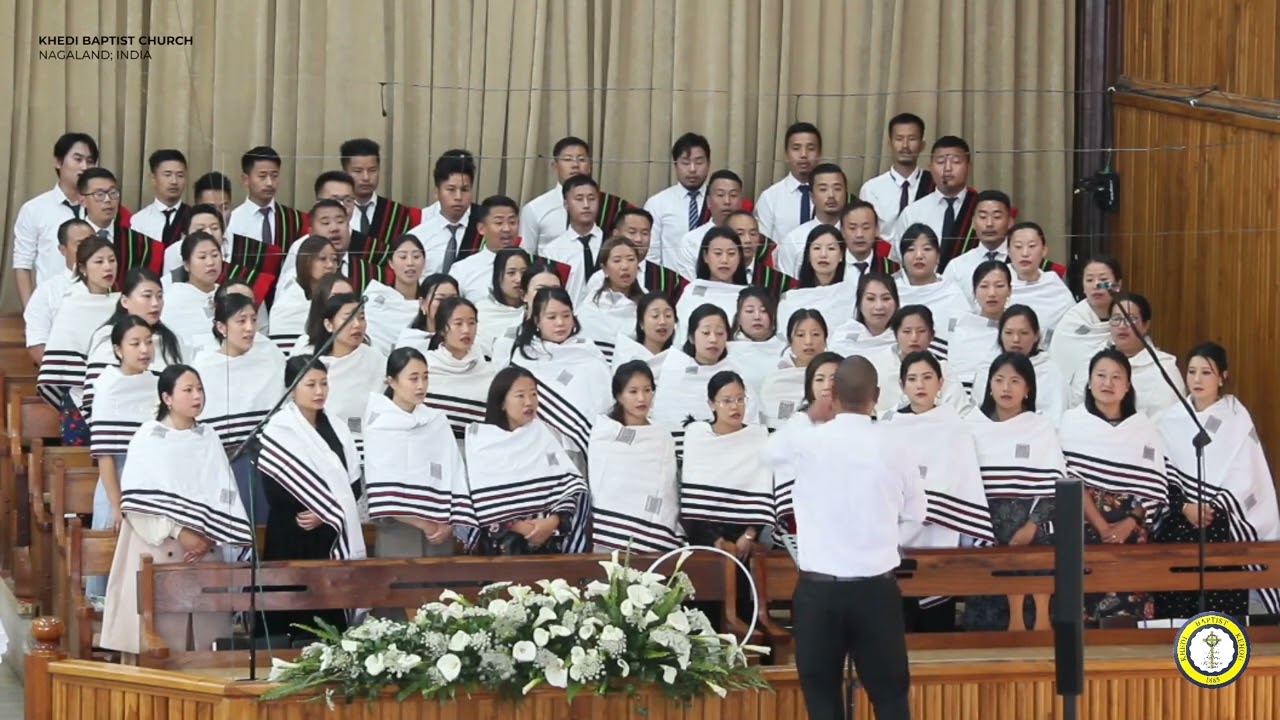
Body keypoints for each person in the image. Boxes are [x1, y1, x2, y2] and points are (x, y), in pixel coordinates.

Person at [761, 355, 925, 720]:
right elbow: (917, 515)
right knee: (891, 699)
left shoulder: (809, 441)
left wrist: (809, 414)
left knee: (822, 702)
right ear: (877, 395)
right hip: (876, 590)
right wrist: (886, 542)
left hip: (820, 593)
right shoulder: (896, 445)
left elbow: (769, 453)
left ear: (831, 394)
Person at [99, 364, 254, 660]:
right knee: (160, 639)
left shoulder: (208, 437)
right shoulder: (148, 437)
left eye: (199, 389)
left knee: (207, 642)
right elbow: (137, 501)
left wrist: (210, 534)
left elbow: (225, 493)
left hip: (204, 550)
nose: (197, 396)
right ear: (167, 398)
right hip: (158, 546)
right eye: (188, 390)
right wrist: (180, 532)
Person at [1155, 342, 1280, 618]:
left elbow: (1246, 471)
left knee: (1220, 591)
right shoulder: (1172, 419)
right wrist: (1185, 506)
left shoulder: (1236, 417)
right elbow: (1162, 472)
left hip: (1222, 518)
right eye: (1191, 372)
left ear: (1222, 376)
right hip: (1181, 517)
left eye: (1206, 372)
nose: (1197, 379)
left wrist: (1213, 506)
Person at [254, 355, 365, 639]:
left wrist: (325, 512)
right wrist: (312, 508)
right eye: (311, 384)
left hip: (330, 532)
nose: (319, 391)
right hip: (292, 531)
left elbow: (354, 484)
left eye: (324, 383)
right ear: (293, 389)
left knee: (329, 612)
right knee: (289, 606)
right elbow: (273, 487)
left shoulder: (337, 428)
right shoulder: (279, 429)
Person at [883, 351, 995, 632]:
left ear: (941, 382)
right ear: (902, 385)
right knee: (898, 621)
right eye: (912, 378)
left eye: (927, 377)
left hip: (940, 533)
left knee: (937, 623)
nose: (919, 385)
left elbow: (964, 480)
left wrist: (934, 507)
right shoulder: (888, 427)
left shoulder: (955, 428)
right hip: (897, 537)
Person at [1060, 348, 1171, 625]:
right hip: (1083, 527)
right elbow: (1069, 481)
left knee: (1127, 619)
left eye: (1116, 377)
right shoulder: (1072, 423)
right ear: (1088, 381)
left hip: (1131, 533)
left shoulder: (1143, 428)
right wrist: (1102, 526)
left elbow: (1153, 489)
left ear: (1128, 386)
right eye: (1101, 375)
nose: (1107, 383)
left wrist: (1129, 524)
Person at [962, 353, 1067, 631]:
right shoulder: (970, 427)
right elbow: (962, 481)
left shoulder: (1040, 428)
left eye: (1014, 381)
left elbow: (1055, 485)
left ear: (1028, 388)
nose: (1006, 388)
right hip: (983, 531)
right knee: (986, 617)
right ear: (989, 386)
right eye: (999, 380)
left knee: (1032, 618)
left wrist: (1033, 526)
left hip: (1031, 533)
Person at [464, 366, 591, 555]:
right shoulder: (483, 441)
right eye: (520, 395)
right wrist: (521, 527)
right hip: (502, 548)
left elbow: (569, 486)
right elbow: (482, 501)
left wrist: (552, 522)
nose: (529, 402)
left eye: (533, 394)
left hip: (549, 541)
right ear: (502, 402)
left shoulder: (543, 435)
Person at [364, 348, 475, 562]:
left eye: (425, 377)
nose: (421, 385)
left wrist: (448, 522)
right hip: (399, 532)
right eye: (413, 378)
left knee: (439, 591)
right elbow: (382, 488)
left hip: (440, 527)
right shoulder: (379, 425)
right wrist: (424, 524)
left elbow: (454, 471)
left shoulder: (436, 421)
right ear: (392, 381)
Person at [192, 289, 286, 525]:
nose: (250, 328)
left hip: (266, 465)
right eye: (241, 321)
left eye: (253, 320)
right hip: (222, 465)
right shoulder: (203, 367)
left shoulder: (271, 359)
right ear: (222, 327)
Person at [84, 316, 159, 599]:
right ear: (118, 350)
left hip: (151, 481)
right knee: (109, 553)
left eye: (149, 342)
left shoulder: (158, 383)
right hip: (116, 479)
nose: (144, 350)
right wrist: (117, 505)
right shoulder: (108, 385)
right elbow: (105, 454)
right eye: (135, 343)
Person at [507, 287, 612, 464]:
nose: (560, 323)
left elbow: (604, 402)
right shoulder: (524, 357)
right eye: (551, 317)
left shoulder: (590, 353)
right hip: (537, 447)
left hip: (583, 450)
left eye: (566, 315)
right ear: (537, 321)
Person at [586, 361, 682, 552]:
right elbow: (605, 484)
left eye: (647, 390)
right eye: (633, 391)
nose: (642, 398)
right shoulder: (606, 433)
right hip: (612, 533)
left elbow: (664, 487)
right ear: (619, 395)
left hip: (655, 533)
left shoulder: (661, 436)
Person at [36, 235, 119, 416]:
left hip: (118, 396)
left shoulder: (123, 303)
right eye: (99, 261)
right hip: (77, 397)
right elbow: (61, 360)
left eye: (112, 260)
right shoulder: (72, 304)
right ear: (82, 268)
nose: (108, 267)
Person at [307, 292, 387, 463]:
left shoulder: (376, 359)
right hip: (324, 453)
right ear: (329, 325)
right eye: (348, 318)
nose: (357, 325)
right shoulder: (316, 366)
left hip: (372, 451)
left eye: (361, 317)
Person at [420, 297, 495, 441]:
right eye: (458, 323)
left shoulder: (489, 373)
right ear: (442, 328)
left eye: (472, 323)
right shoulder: (425, 367)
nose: (466, 330)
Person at [24, 218, 94, 364]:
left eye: (92, 242)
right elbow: (37, 345)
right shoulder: (47, 292)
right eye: (80, 244)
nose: (89, 249)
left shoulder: (114, 288)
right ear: (63, 250)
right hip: (63, 378)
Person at [610, 292, 677, 382]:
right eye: (655, 316)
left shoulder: (678, 359)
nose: (662, 322)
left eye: (668, 316)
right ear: (641, 323)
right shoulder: (626, 356)